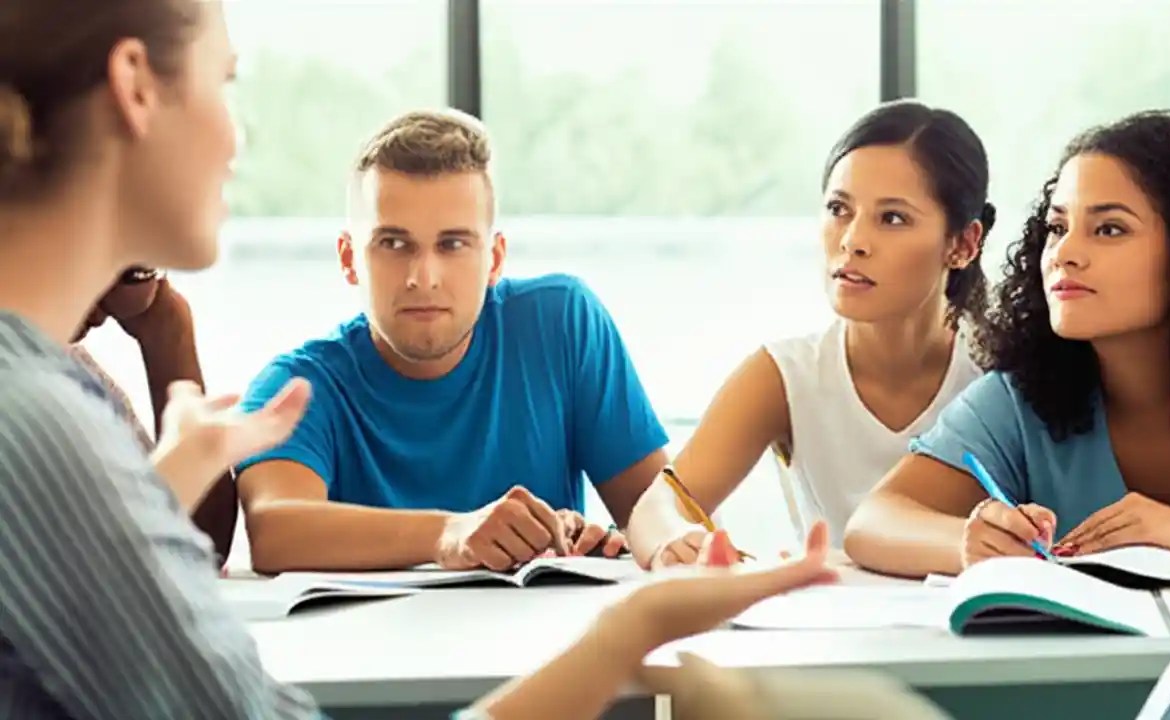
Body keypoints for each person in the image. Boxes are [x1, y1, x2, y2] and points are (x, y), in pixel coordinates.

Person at [0, 1, 839, 717]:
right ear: (136, 86)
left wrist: (159, 483)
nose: (236, 137)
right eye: (226, 81)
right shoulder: (43, 424)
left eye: (454, 243)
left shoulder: (52, 402)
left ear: (495, 253)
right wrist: (627, 635)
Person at [844, 110, 1170, 578]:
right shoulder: (1020, 400)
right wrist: (970, 542)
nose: (1063, 254)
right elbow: (874, 522)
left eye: (1109, 229)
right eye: (1057, 228)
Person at [235, 110, 668, 574]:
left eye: (453, 244)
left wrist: (619, 542)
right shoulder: (296, 387)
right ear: (349, 259)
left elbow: (676, 517)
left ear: (494, 258)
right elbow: (273, 530)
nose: (424, 278)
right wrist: (448, 534)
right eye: (394, 244)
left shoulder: (563, 322)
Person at [627, 100, 991, 568]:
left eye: (892, 218)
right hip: (827, 627)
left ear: (962, 244)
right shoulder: (786, 375)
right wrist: (675, 540)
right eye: (839, 209)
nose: (852, 241)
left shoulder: (998, 376)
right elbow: (660, 505)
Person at [71, 265, 238, 564]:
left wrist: (168, 337)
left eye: (138, 273)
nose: (103, 313)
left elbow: (203, 546)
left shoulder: (76, 367)